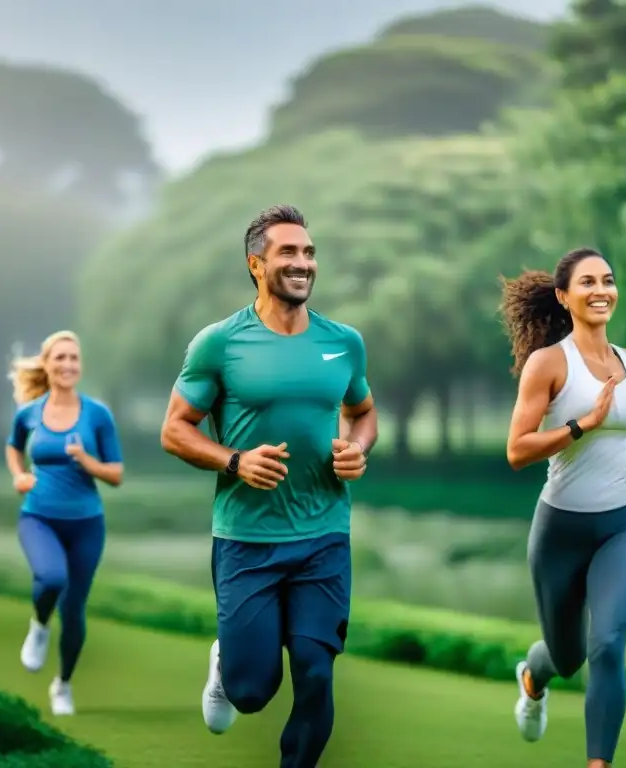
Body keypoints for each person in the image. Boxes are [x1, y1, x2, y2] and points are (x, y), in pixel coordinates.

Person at [160, 205, 377, 768]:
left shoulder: (343, 342)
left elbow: (365, 411)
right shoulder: (219, 343)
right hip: (246, 539)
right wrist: (235, 460)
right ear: (256, 264)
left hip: (324, 535)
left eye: (308, 252)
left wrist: (357, 448)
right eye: (288, 252)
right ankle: (227, 662)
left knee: (314, 670)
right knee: (252, 691)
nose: (302, 263)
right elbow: (175, 430)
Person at [499, 247, 626, 768]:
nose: (601, 290)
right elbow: (516, 450)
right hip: (560, 532)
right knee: (568, 657)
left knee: (609, 644)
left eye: (609, 280)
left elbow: (623, 435)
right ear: (564, 297)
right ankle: (534, 675)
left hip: (624, 525)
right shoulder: (549, 363)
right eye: (588, 282)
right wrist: (580, 426)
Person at [5, 330, 124, 717]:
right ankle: (39, 625)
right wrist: (19, 475)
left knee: (74, 610)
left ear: (80, 365)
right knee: (52, 579)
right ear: (46, 364)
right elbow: (12, 445)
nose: (68, 364)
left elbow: (116, 474)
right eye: (60, 358)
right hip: (38, 517)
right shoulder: (29, 413)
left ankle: (63, 685)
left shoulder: (97, 414)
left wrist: (86, 461)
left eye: (74, 358)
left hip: (87, 524)